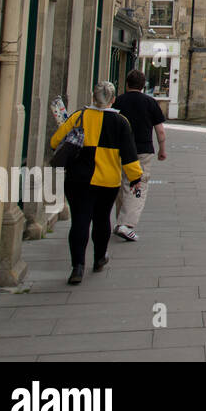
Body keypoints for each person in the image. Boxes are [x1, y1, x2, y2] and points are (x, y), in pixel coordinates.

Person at [50, 81, 143, 285]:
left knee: (80, 221)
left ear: (93, 97)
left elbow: (55, 141)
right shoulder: (121, 122)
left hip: (79, 179)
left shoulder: (79, 116)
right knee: (102, 220)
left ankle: (77, 266)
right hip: (107, 181)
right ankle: (100, 258)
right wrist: (136, 178)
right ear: (112, 100)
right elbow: (129, 155)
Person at [112, 68, 167, 241]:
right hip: (142, 151)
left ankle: (120, 221)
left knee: (123, 185)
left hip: (120, 151)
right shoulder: (150, 102)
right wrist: (162, 150)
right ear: (143, 86)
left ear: (127, 84)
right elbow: (160, 132)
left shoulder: (118, 101)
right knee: (139, 186)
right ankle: (126, 224)